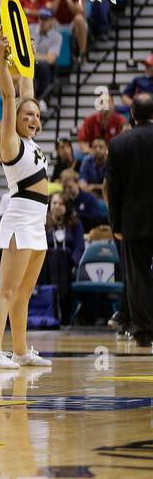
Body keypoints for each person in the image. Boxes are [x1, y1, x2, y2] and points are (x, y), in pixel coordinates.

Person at [0, 34, 51, 371]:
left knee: (24, 293)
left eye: (37, 116)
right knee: (6, 291)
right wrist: (0, 55)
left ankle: (21, 350)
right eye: (28, 116)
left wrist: (28, 59)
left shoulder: (33, 143)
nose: (33, 120)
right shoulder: (12, 144)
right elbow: (11, 96)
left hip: (38, 223)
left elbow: (26, 90)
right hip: (20, 219)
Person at [106, 94, 153, 346]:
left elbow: (113, 189)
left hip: (133, 222)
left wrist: (116, 225)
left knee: (138, 277)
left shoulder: (118, 143)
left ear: (132, 115)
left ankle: (144, 333)